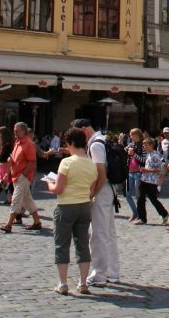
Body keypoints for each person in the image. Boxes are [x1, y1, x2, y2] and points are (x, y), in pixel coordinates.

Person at [46, 128, 96, 295]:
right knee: (82, 245)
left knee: (62, 244)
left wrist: (49, 184)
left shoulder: (67, 162)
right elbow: (91, 190)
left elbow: (58, 189)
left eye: (67, 144)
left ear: (72, 143)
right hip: (84, 206)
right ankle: (83, 283)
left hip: (66, 206)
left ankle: (63, 283)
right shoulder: (91, 163)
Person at [72, 118, 120, 286]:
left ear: (84, 129)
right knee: (108, 232)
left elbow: (101, 172)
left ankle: (99, 273)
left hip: (102, 190)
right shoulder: (103, 139)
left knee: (98, 233)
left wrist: (93, 193)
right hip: (109, 189)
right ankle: (112, 272)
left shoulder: (95, 144)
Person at [0, 122, 43, 233]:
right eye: (14, 130)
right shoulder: (17, 142)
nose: (15, 132)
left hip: (23, 177)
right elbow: (13, 158)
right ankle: (37, 222)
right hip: (16, 176)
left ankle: (9, 224)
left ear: (24, 131)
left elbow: (32, 163)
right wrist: (7, 173)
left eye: (17, 130)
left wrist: (22, 175)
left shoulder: (29, 144)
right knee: (27, 200)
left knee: (16, 199)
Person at [134, 138, 169, 225]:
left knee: (153, 199)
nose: (144, 147)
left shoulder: (156, 155)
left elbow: (159, 169)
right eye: (144, 145)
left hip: (152, 181)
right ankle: (142, 218)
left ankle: (164, 214)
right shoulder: (148, 154)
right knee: (140, 198)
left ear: (151, 145)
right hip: (144, 179)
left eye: (146, 145)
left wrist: (147, 170)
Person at [125, 128, 144, 222]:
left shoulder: (143, 146)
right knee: (127, 194)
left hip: (138, 173)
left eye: (131, 135)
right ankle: (134, 212)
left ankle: (140, 215)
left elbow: (144, 160)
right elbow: (123, 150)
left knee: (138, 195)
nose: (130, 137)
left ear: (137, 135)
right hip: (130, 172)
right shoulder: (131, 145)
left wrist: (134, 154)